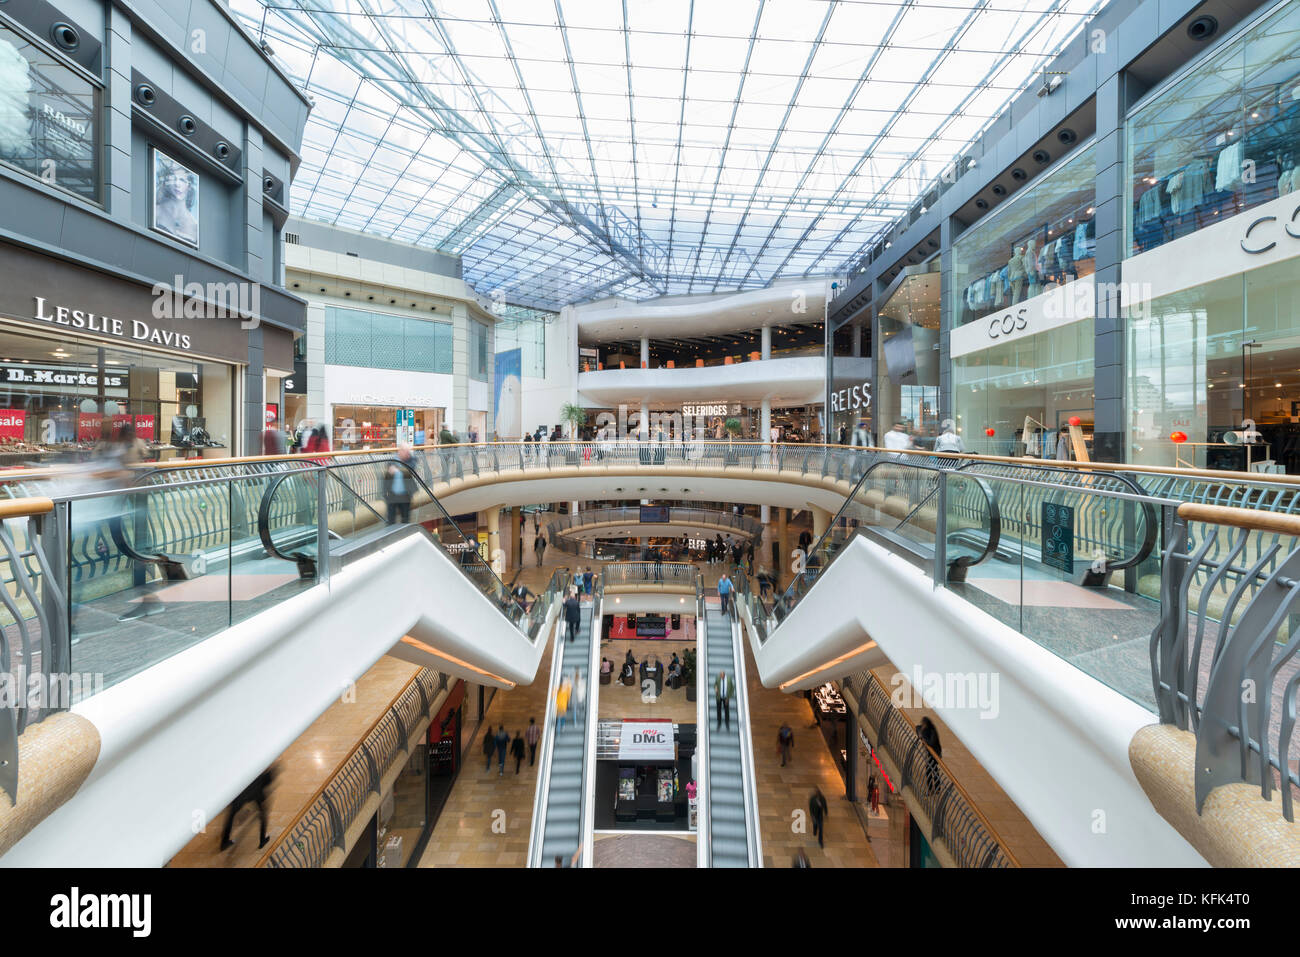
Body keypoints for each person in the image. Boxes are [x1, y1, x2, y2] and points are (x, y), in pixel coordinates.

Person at [220, 767, 275, 850]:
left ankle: (224, 842)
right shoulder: (260, 792)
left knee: (231, 816)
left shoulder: (256, 774)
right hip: (243, 796)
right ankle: (262, 840)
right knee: (263, 815)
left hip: (238, 794)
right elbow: (262, 802)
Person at [382, 445, 414, 524]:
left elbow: (410, 468)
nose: (407, 454)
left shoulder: (410, 461)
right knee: (391, 520)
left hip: (405, 496)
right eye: (405, 452)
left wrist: (397, 469)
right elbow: (386, 476)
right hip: (393, 495)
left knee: (405, 519)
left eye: (408, 452)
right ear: (400, 451)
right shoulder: (392, 461)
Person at [917, 716, 942, 793]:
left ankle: (935, 789)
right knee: (930, 771)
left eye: (924, 724)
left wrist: (923, 738)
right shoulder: (924, 729)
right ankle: (933, 788)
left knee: (932, 771)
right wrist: (921, 732)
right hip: (930, 753)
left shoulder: (932, 731)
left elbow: (931, 743)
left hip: (935, 753)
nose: (923, 725)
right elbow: (917, 727)